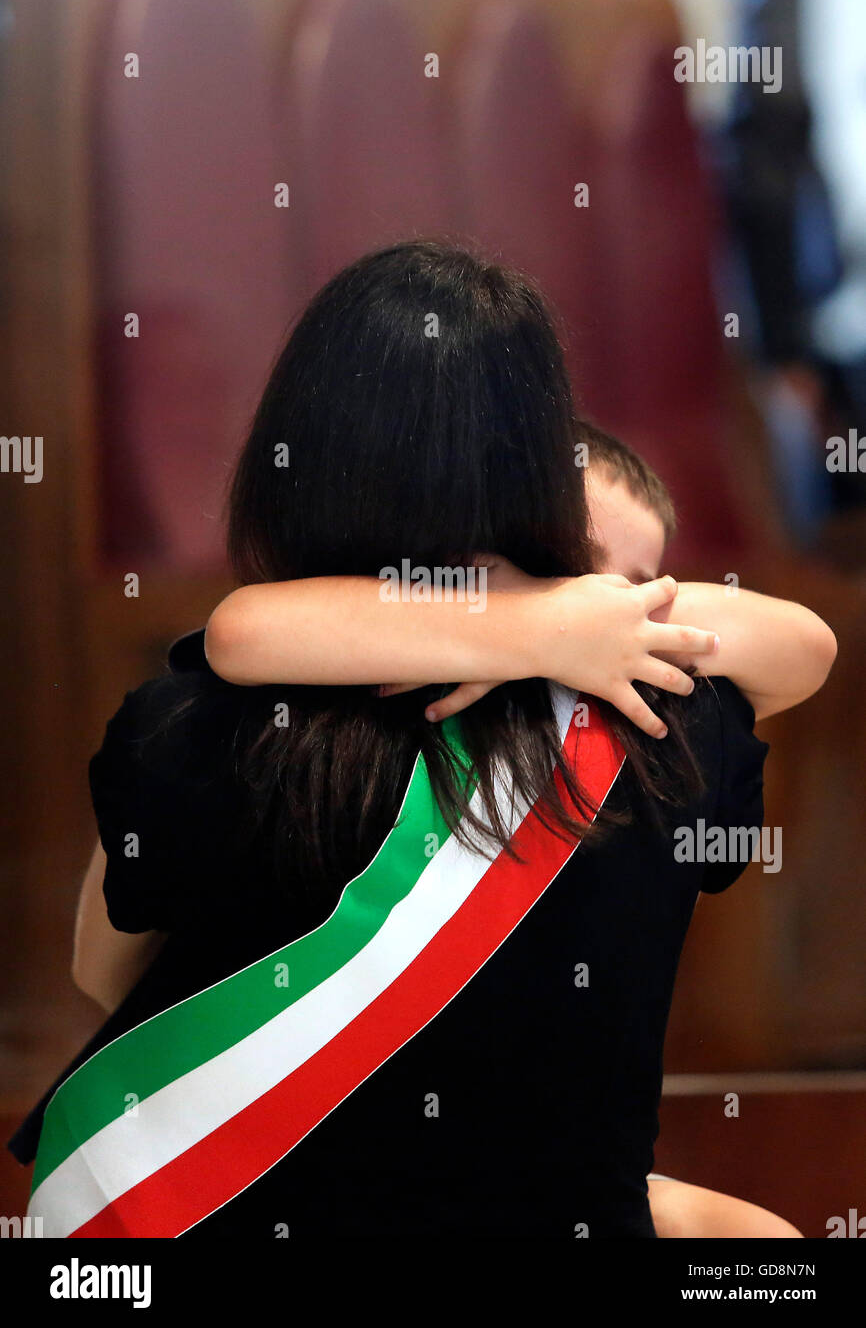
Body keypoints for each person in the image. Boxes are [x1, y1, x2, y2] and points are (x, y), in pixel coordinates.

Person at [10, 241, 835, 1239]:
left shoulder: (190, 723)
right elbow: (798, 647)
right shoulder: (668, 716)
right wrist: (543, 617)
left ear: (295, 457)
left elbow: (107, 979)